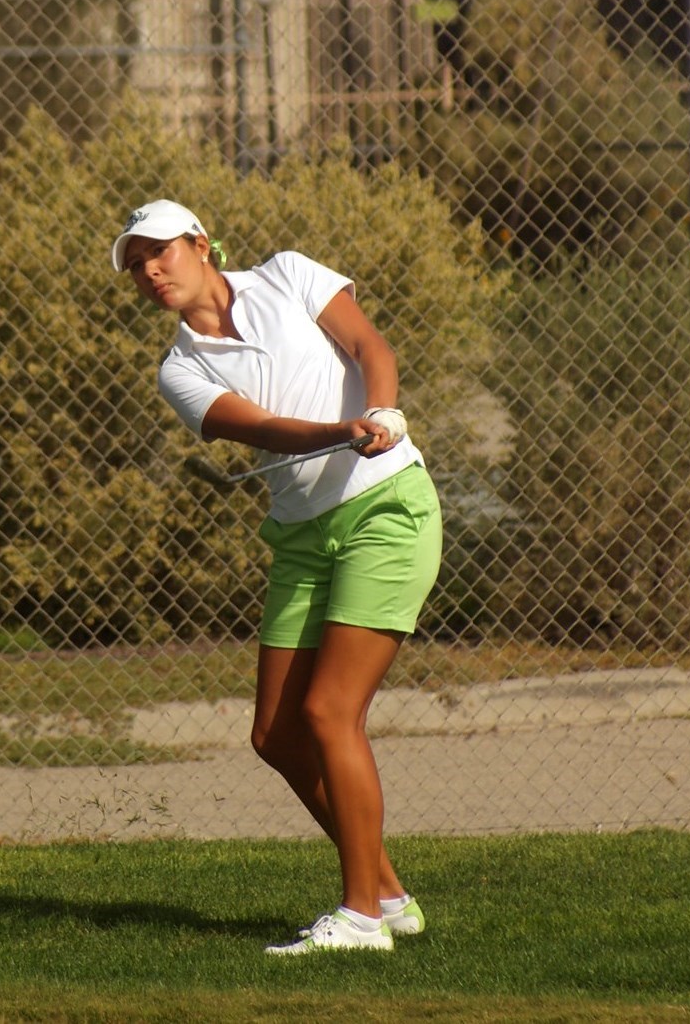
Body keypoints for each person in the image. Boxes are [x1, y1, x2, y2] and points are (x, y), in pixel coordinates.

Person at [111, 199, 443, 955]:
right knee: (274, 733)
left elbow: (369, 346)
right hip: (301, 535)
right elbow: (259, 428)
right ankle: (388, 893)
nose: (150, 270)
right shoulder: (180, 368)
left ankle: (360, 916)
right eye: (136, 264)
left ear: (200, 243)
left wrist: (383, 410)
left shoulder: (288, 275)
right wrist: (340, 430)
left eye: (160, 250)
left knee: (329, 713)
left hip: (385, 509)